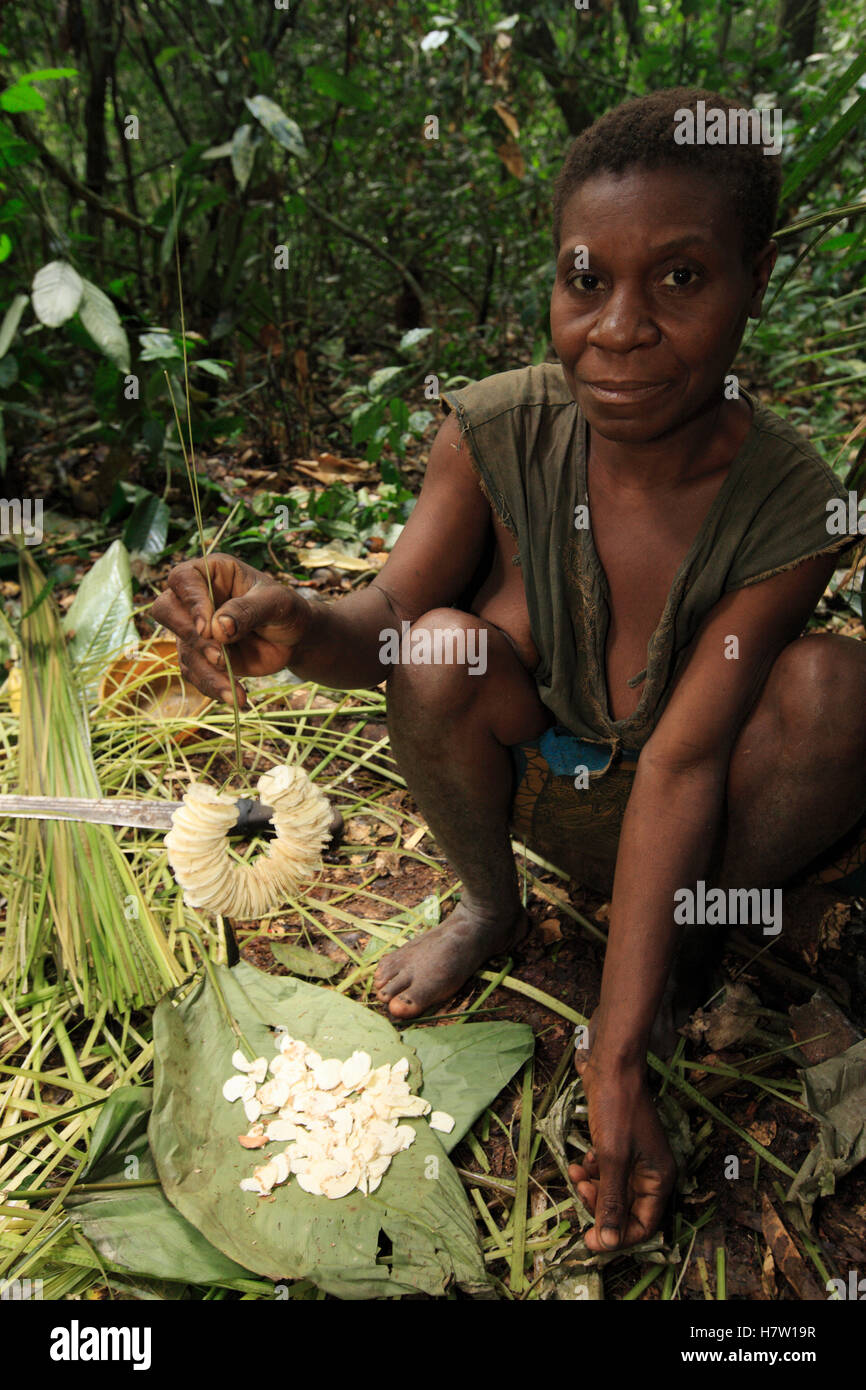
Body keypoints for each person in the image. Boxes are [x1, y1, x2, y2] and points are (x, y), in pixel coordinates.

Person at [152, 87, 866, 1256]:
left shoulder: (788, 499)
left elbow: (687, 757)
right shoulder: (495, 432)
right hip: (542, 791)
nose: (618, 328)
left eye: (679, 279)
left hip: (703, 818)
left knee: (837, 690)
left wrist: (612, 1049)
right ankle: (491, 903)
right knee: (438, 645)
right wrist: (295, 627)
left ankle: (685, 935)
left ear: (757, 281)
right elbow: (384, 619)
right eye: (585, 279)